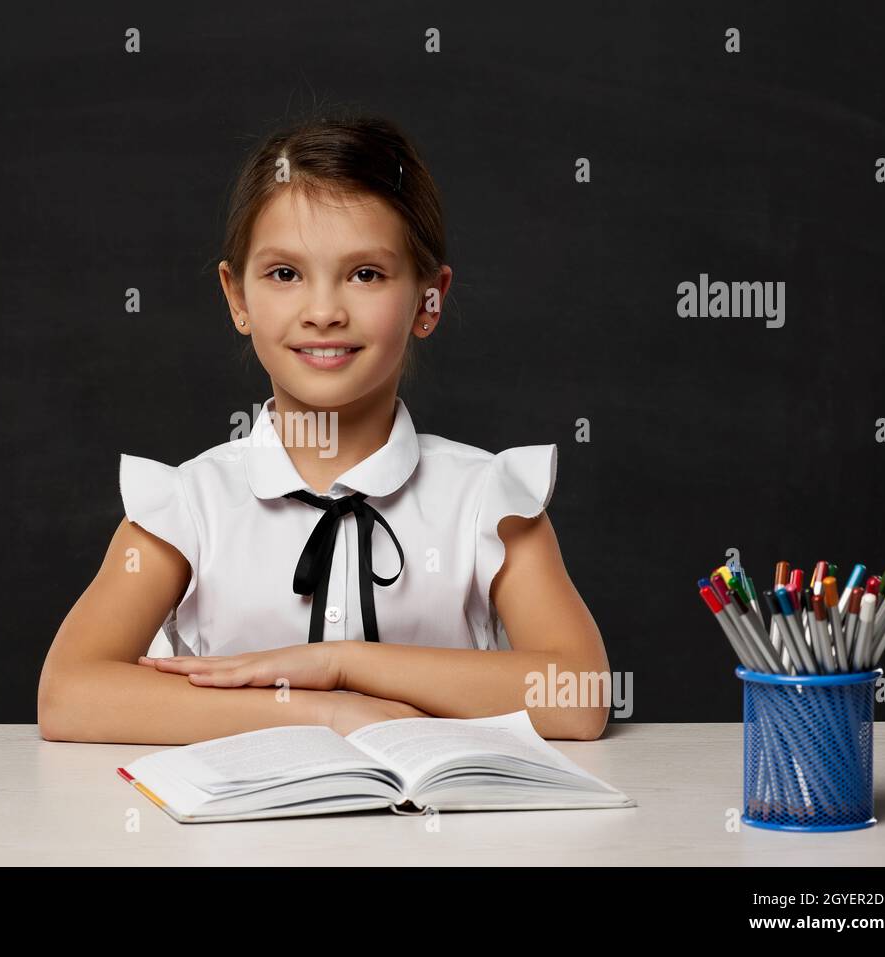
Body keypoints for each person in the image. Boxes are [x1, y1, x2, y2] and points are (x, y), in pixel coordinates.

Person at [39, 113, 609, 744]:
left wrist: (341, 665)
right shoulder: (187, 505)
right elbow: (69, 693)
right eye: (285, 274)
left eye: (366, 274)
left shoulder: (489, 499)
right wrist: (322, 709)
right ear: (237, 298)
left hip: (442, 837)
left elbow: (578, 696)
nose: (323, 313)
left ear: (429, 300)